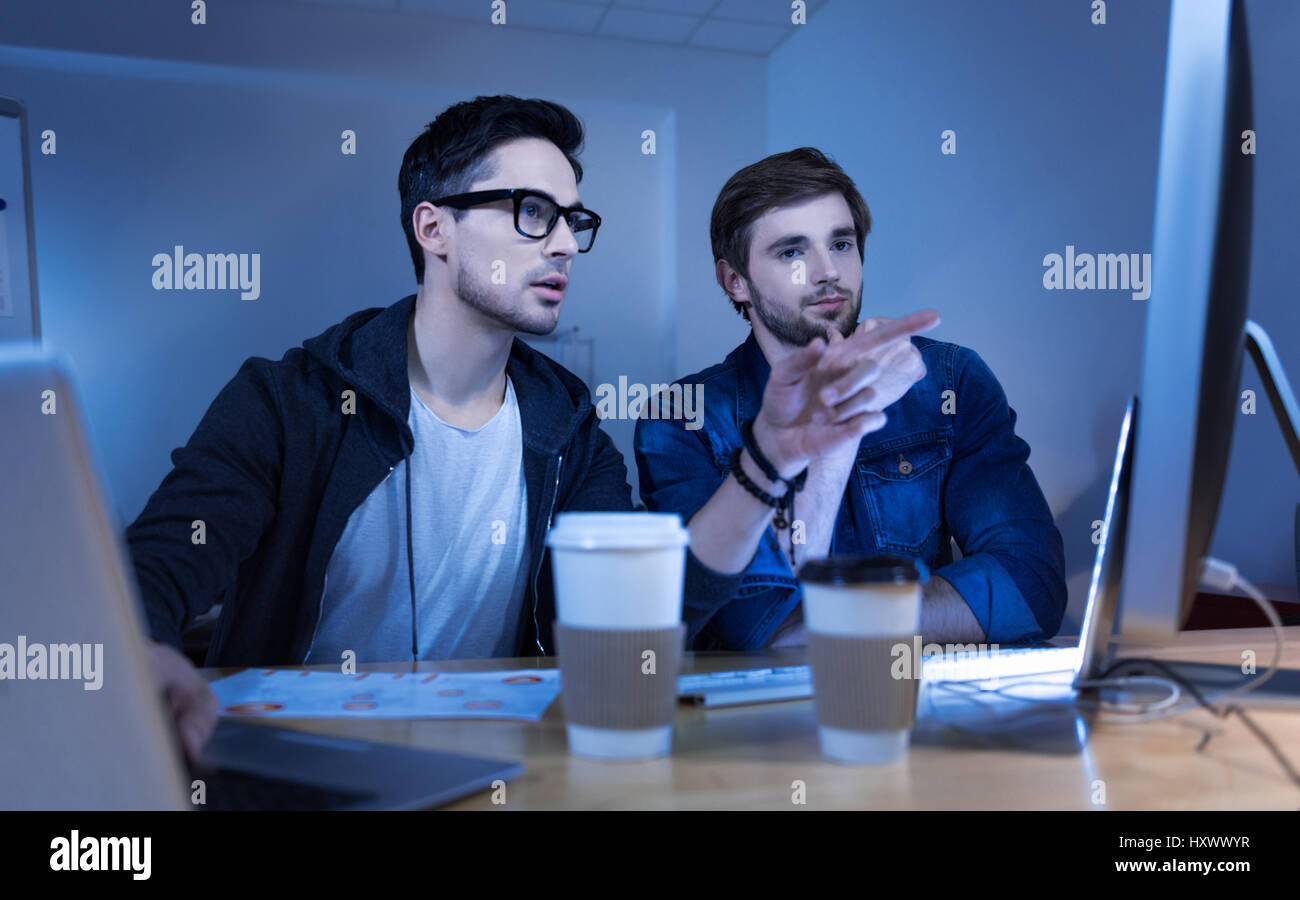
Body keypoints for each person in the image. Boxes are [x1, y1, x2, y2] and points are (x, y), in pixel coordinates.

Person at [126, 95, 735, 747]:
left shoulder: (570, 430)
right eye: (533, 212)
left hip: (506, 771)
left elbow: (634, 614)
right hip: (298, 768)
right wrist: (140, 647)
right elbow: (155, 567)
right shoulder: (288, 401)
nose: (565, 244)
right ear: (433, 228)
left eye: (573, 220)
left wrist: (771, 459)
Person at [634, 147, 1067, 650]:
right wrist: (841, 433)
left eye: (841, 243)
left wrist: (834, 623)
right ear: (736, 282)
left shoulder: (949, 380)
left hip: (909, 703)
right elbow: (744, 627)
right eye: (792, 252)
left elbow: (1029, 585)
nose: (827, 272)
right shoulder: (681, 418)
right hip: (754, 722)